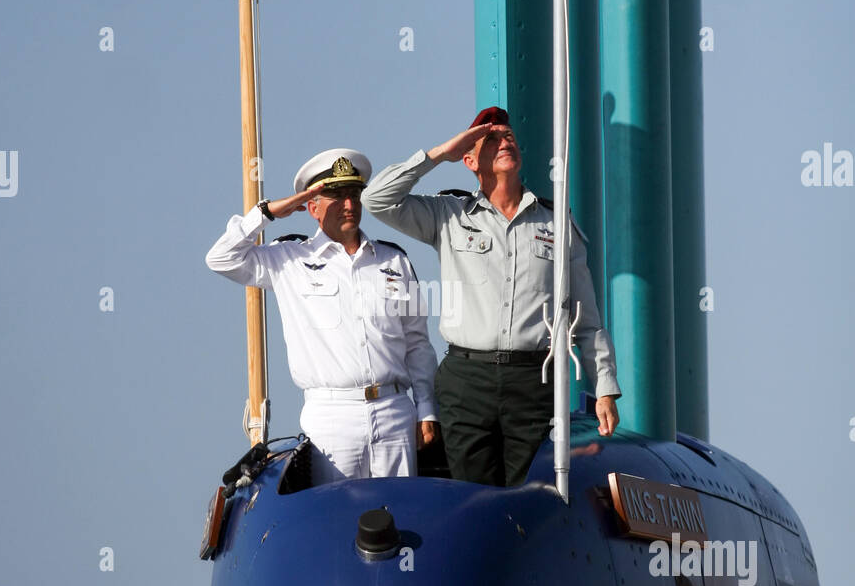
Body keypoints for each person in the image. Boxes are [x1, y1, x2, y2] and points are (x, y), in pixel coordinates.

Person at [361, 109, 621, 486]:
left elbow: (586, 316)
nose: (505, 141)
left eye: (508, 136)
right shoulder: (449, 215)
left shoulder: (555, 220)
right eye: (491, 139)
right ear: (468, 159)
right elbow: (377, 199)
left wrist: (604, 388)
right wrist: (440, 154)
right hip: (467, 380)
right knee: (470, 496)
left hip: (534, 380)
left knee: (530, 498)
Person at [205, 148, 441, 484]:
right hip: (332, 416)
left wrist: (426, 408)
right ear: (312, 207)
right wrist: (268, 212)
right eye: (336, 197)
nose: (349, 205)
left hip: (393, 410)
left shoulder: (393, 260)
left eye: (353, 195)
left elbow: (417, 343)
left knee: (399, 519)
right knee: (335, 522)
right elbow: (221, 259)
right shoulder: (289, 260)